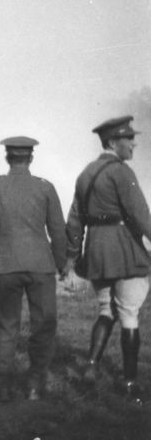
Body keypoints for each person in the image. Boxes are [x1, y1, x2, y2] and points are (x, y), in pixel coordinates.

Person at [63, 115, 149, 404]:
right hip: (125, 251)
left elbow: (74, 221)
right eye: (129, 139)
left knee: (105, 310)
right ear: (114, 142)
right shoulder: (122, 173)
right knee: (129, 314)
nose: (134, 144)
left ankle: (90, 367)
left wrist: (73, 259)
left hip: (97, 252)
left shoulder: (85, 173)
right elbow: (141, 215)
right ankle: (128, 382)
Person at [0, 136, 67, 403]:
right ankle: (35, 385)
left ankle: (4, 388)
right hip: (41, 266)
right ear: (31, 158)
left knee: (5, 327)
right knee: (43, 325)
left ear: (7, 158)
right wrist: (61, 264)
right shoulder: (45, 187)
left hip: (4, 266)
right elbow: (58, 231)